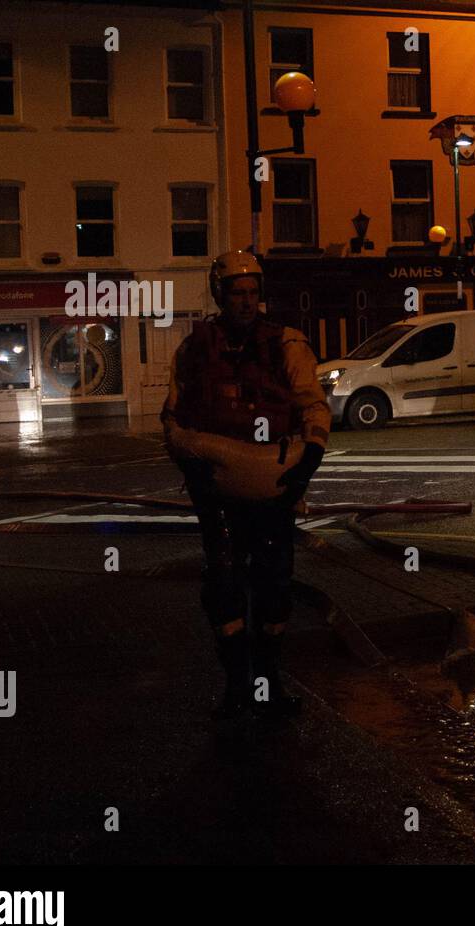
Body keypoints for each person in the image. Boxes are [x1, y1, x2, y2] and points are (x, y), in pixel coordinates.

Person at [161, 251, 330, 717]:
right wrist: (194, 471)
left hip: (274, 492)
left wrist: (307, 462)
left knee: (275, 588)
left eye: (253, 292)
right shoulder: (195, 349)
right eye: (238, 293)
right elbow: (173, 416)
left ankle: (268, 683)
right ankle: (238, 685)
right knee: (224, 587)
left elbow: (313, 407)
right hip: (218, 496)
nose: (246, 301)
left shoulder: (288, 345)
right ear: (220, 294)